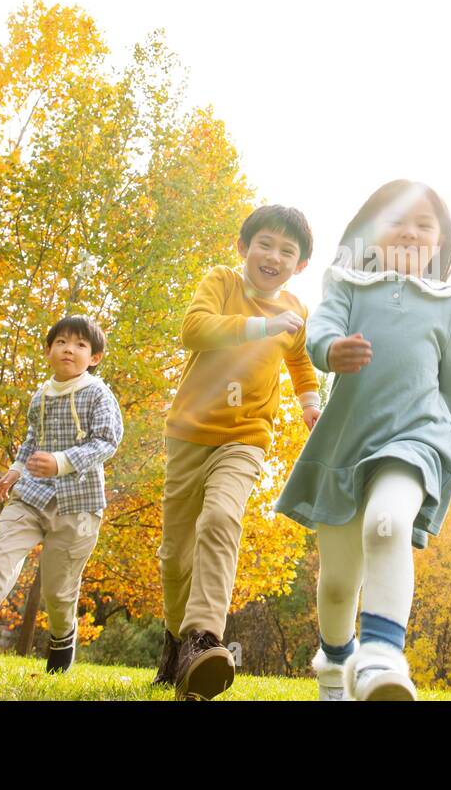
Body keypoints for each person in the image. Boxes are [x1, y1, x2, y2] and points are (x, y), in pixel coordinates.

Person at [276, 179, 451, 700]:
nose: (410, 233)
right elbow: (320, 330)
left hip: (418, 437)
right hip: (347, 442)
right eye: (397, 221)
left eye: (424, 224)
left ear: (440, 242)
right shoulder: (346, 283)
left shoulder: (449, 304)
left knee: (388, 524)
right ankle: (335, 662)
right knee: (340, 582)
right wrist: (331, 350)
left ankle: (383, 656)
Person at [152, 204, 321, 700]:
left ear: (300, 265)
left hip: (246, 436)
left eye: (287, 251)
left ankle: (203, 638)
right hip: (188, 435)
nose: (273, 256)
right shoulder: (221, 282)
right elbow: (194, 329)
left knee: (222, 518)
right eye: (264, 244)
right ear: (243, 248)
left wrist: (311, 404)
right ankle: (174, 641)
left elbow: (300, 360)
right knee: (174, 557)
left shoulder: (296, 310)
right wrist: (259, 326)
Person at [0, 314, 123, 674]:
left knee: (58, 591)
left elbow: (107, 441)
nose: (69, 349)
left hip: (78, 504)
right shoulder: (40, 396)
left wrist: (62, 462)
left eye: (81, 344)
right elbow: (31, 442)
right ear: (48, 350)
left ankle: (63, 636)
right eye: (62, 342)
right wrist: (14, 471)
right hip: (31, 496)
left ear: (93, 358)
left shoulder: (98, 393)